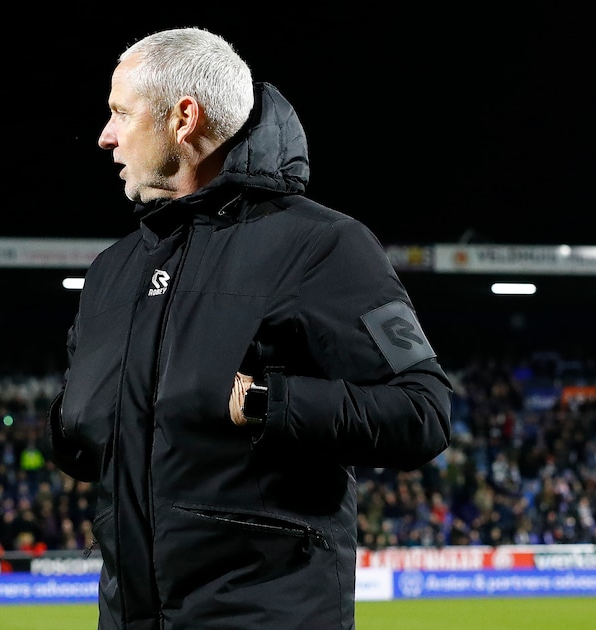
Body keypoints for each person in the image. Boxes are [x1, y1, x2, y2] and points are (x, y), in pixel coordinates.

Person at [45, 28, 452, 629]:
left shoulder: (323, 246)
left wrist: (271, 403)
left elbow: (423, 412)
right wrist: (71, 421)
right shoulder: (112, 271)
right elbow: (95, 441)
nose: (105, 136)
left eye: (120, 113)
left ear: (183, 118)